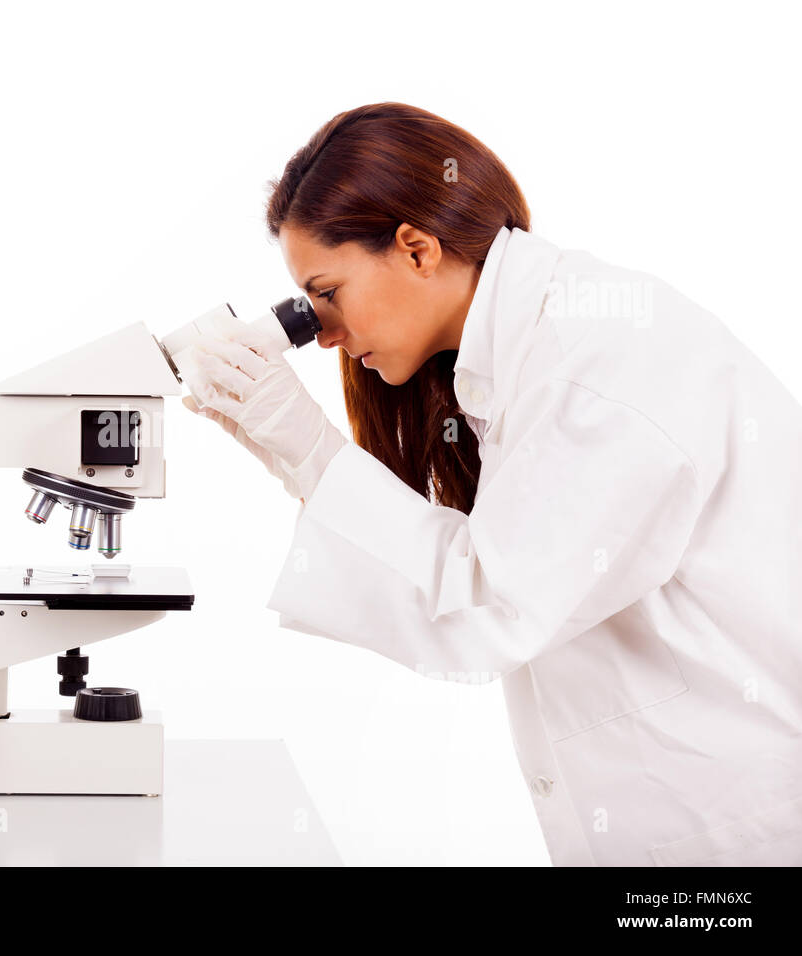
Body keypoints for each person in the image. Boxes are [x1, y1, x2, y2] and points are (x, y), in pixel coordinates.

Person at [175, 102, 802, 866]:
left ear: (415, 249)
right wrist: (282, 445)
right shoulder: (517, 357)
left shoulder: (595, 362)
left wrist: (306, 444)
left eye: (327, 291)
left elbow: (490, 607)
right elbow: (486, 567)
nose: (325, 333)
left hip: (742, 843)